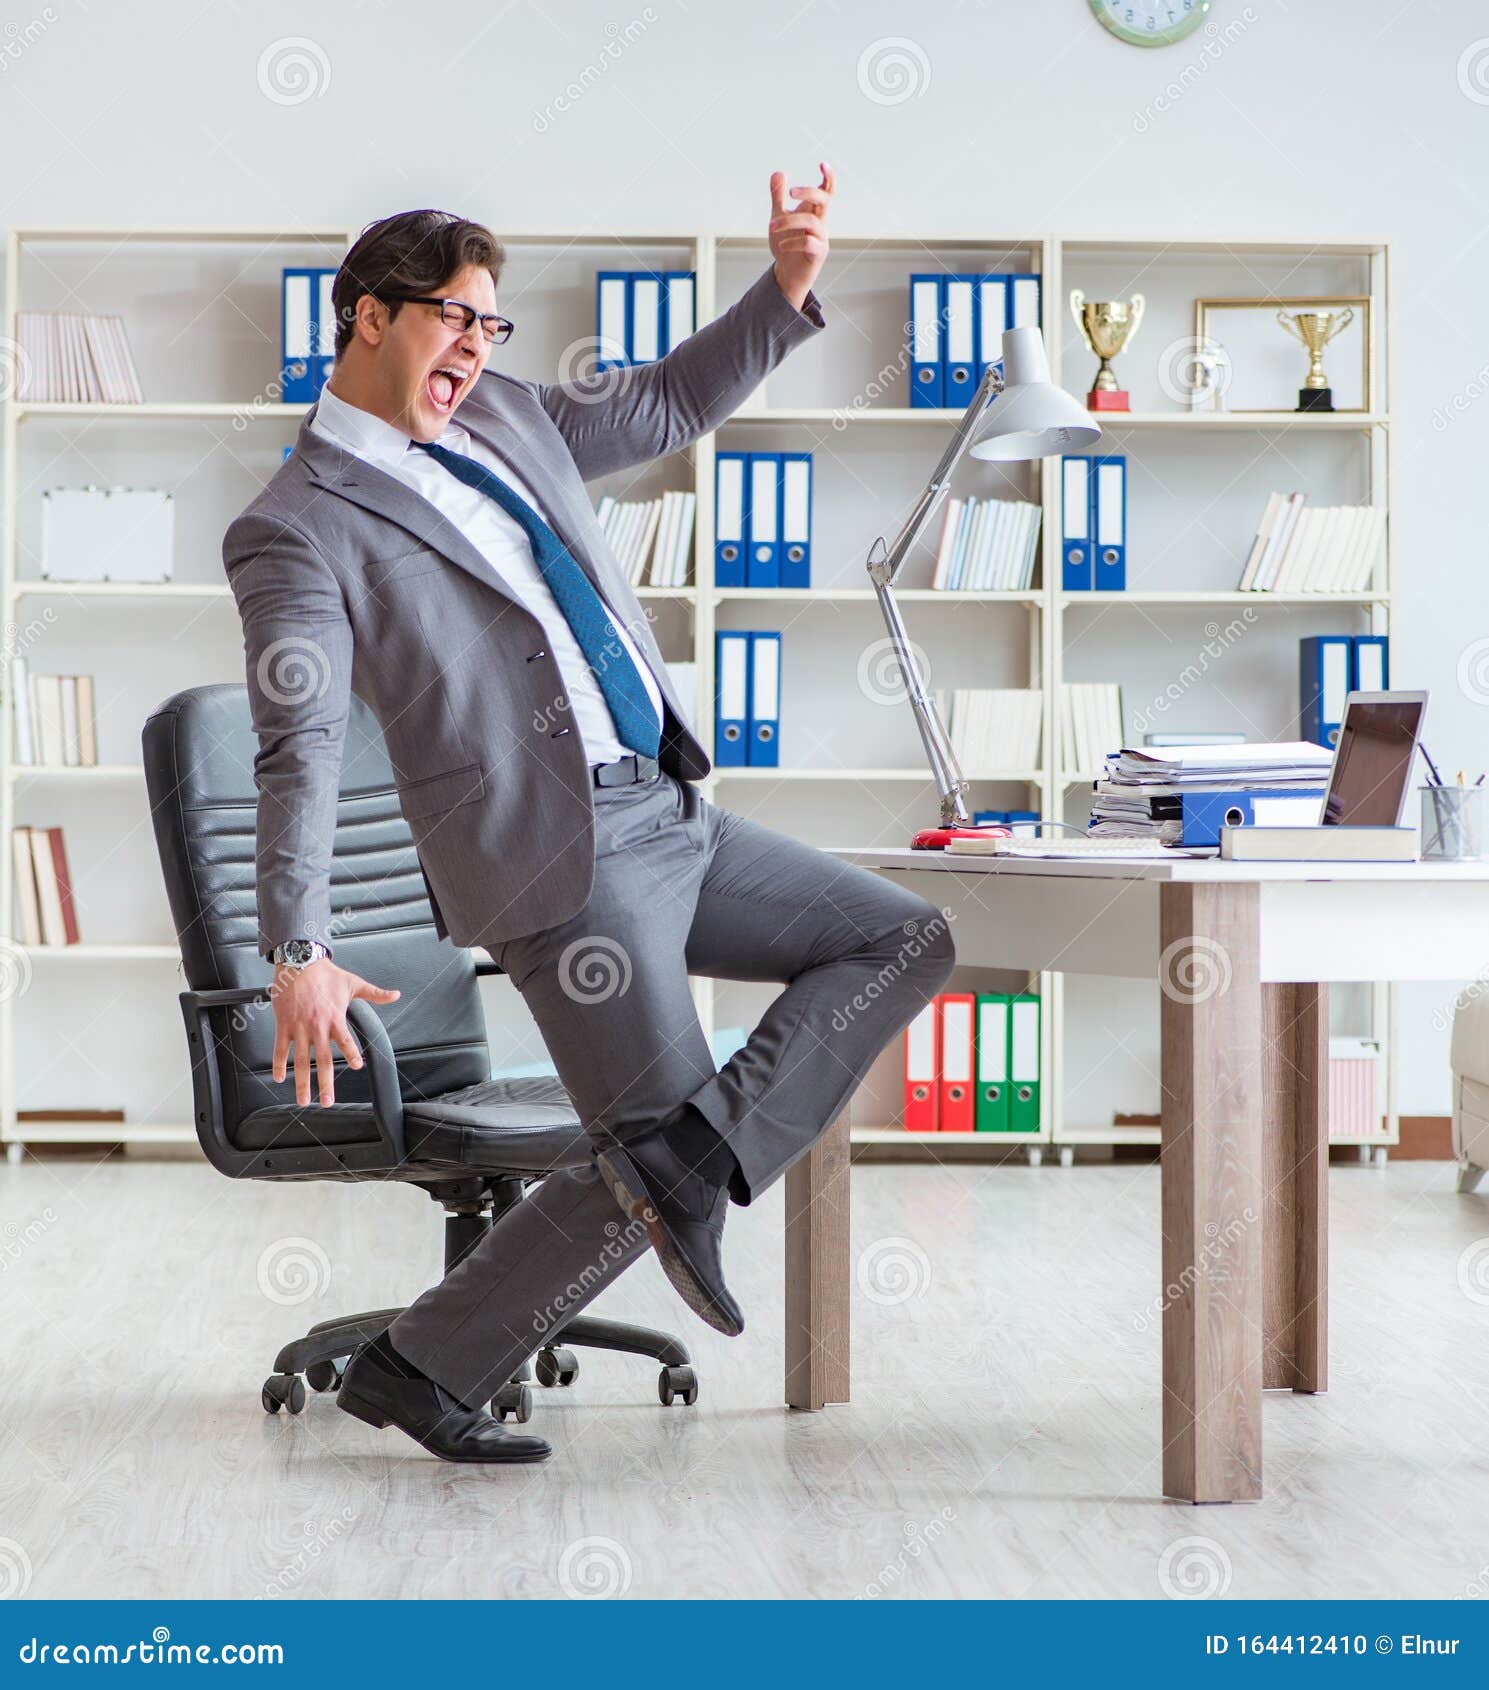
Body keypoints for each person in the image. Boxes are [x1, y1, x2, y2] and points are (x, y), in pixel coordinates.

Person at [223, 167, 956, 1464]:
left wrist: (783, 285)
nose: (474, 342)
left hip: (668, 808)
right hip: (554, 858)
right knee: (652, 1164)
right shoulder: (296, 527)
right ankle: (444, 1352)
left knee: (897, 941)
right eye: (451, 314)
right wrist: (296, 945)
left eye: (487, 320)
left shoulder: (506, 412)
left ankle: (435, 1348)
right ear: (367, 319)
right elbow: (304, 739)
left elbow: (668, 401)